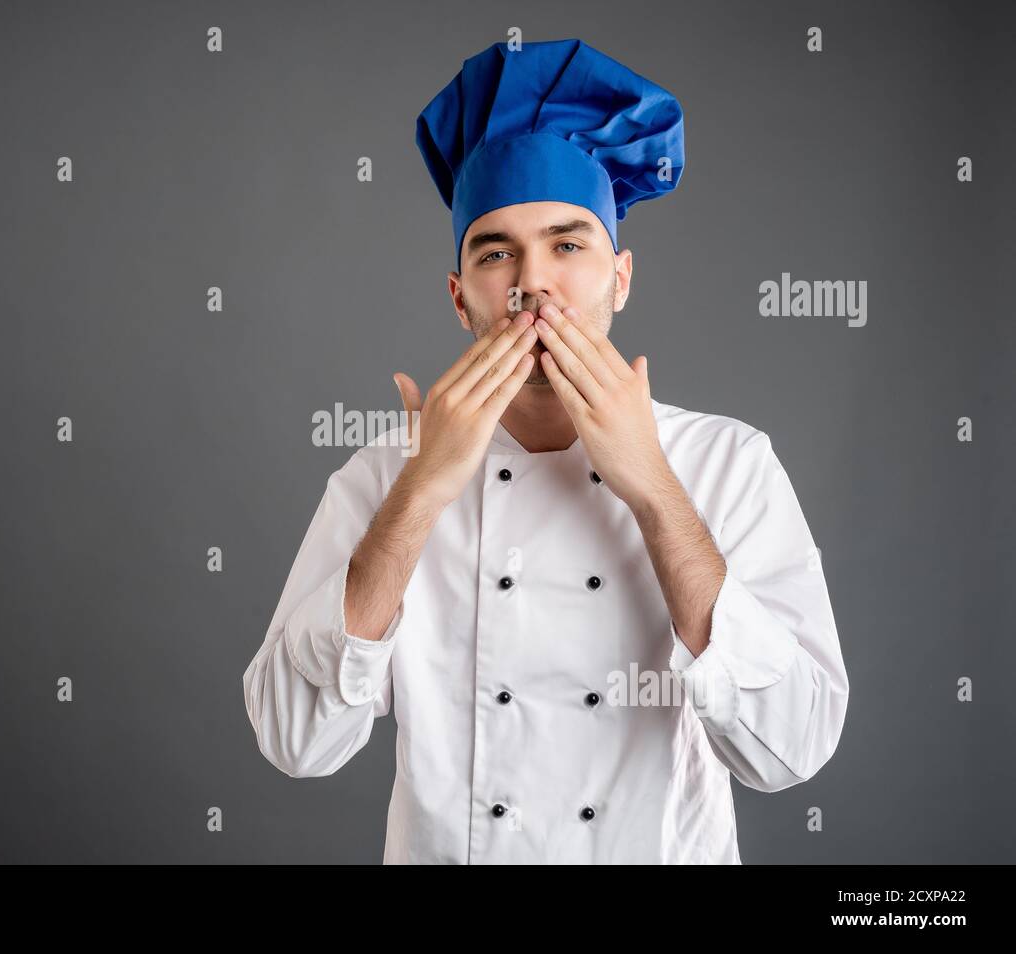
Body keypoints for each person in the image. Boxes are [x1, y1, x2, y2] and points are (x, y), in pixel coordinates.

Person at [242, 37, 849, 863]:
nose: (534, 285)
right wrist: (420, 495)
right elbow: (295, 741)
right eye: (496, 253)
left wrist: (653, 491)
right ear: (461, 299)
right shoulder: (384, 475)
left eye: (569, 245)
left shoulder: (729, 464)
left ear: (620, 279)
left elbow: (791, 749)